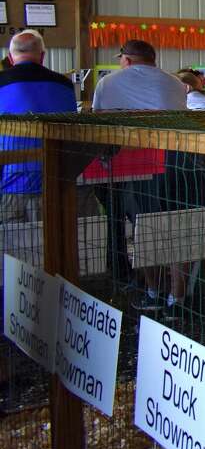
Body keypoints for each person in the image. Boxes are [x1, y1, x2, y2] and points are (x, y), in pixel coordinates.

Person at [92, 39, 189, 314]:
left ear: (127, 60)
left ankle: (153, 290)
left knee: (144, 229)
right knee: (177, 227)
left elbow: (98, 123)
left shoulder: (107, 83)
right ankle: (177, 298)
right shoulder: (175, 83)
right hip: (179, 159)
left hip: (138, 163)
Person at [0, 30, 77, 221]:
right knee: (52, 244)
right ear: (42, 56)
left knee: (12, 245)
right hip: (55, 181)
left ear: (10, 57)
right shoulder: (66, 85)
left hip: (9, 183)